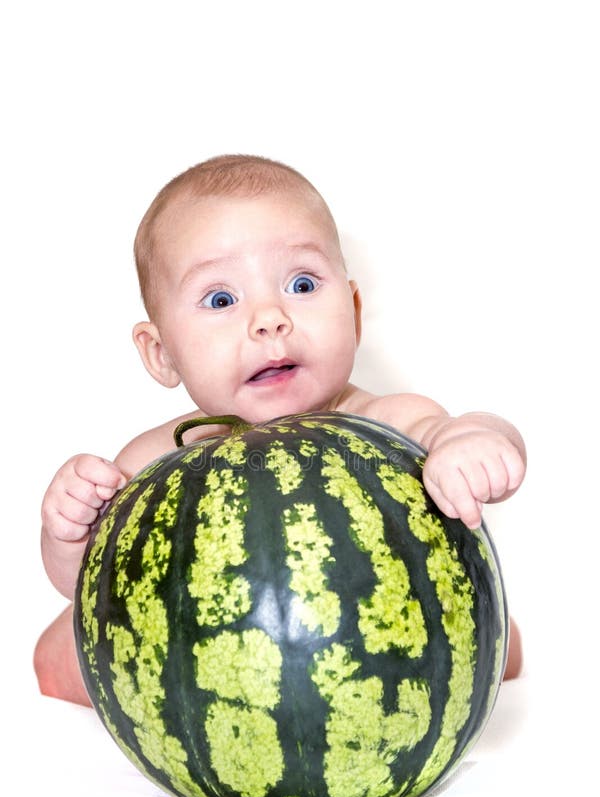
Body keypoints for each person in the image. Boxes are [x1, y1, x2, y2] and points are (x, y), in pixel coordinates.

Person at [34, 154, 526, 706]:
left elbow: (456, 429)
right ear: (162, 352)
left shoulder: (380, 423)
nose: (270, 318)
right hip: (217, 644)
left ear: (355, 312)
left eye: (301, 283)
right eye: (221, 299)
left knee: (487, 628)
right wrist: (71, 535)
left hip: (369, 618)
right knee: (61, 645)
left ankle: (481, 638)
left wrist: (468, 441)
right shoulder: (153, 460)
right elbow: (90, 583)